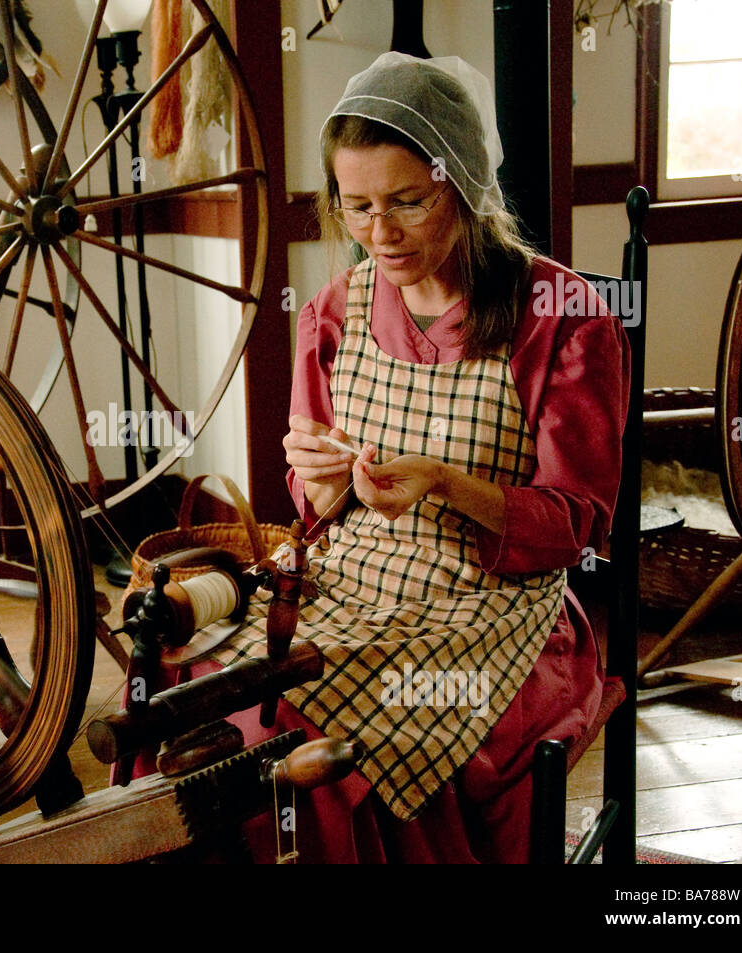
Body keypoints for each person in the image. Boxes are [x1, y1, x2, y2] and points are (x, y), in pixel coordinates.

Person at [159, 52, 629, 863]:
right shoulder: (334, 311)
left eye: (409, 202)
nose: (381, 233)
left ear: (465, 183)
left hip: (499, 603)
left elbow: (579, 527)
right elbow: (317, 519)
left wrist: (448, 485)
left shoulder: (561, 316)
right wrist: (319, 480)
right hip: (357, 581)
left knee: (340, 737)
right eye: (358, 206)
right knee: (213, 691)